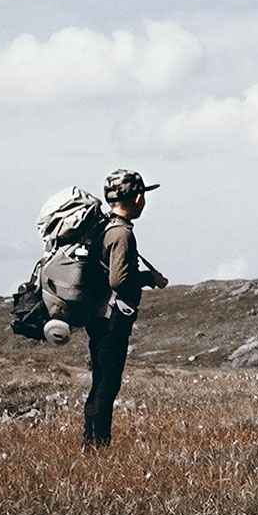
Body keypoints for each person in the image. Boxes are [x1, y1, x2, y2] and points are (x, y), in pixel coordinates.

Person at [84, 169, 168, 449]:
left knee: (100, 382)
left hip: (98, 315)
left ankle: (91, 444)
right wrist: (149, 278)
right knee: (107, 385)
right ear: (138, 197)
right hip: (112, 319)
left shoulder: (105, 227)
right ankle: (98, 447)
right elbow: (119, 280)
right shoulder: (121, 233)